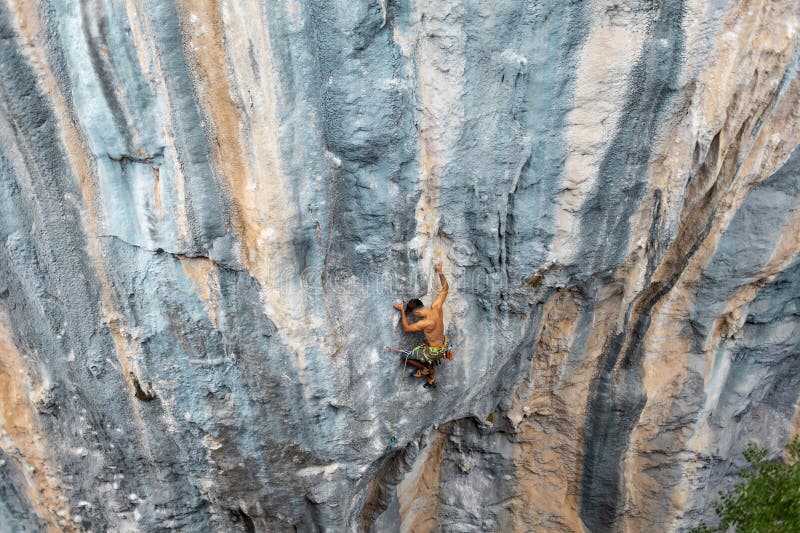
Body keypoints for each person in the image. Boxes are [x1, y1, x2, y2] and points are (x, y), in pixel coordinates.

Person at [393, 261, 450, 388]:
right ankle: (430, 373)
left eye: (414, 314)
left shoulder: (425, 323)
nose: (415, 316)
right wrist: (440, 271)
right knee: (424, 345)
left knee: (405, 356)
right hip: (442, 345)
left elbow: (407, 328)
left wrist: (402, 311)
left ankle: (426, 369)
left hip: (434, 352)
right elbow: (445, 289)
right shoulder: (436, 307)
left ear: (417, 311)